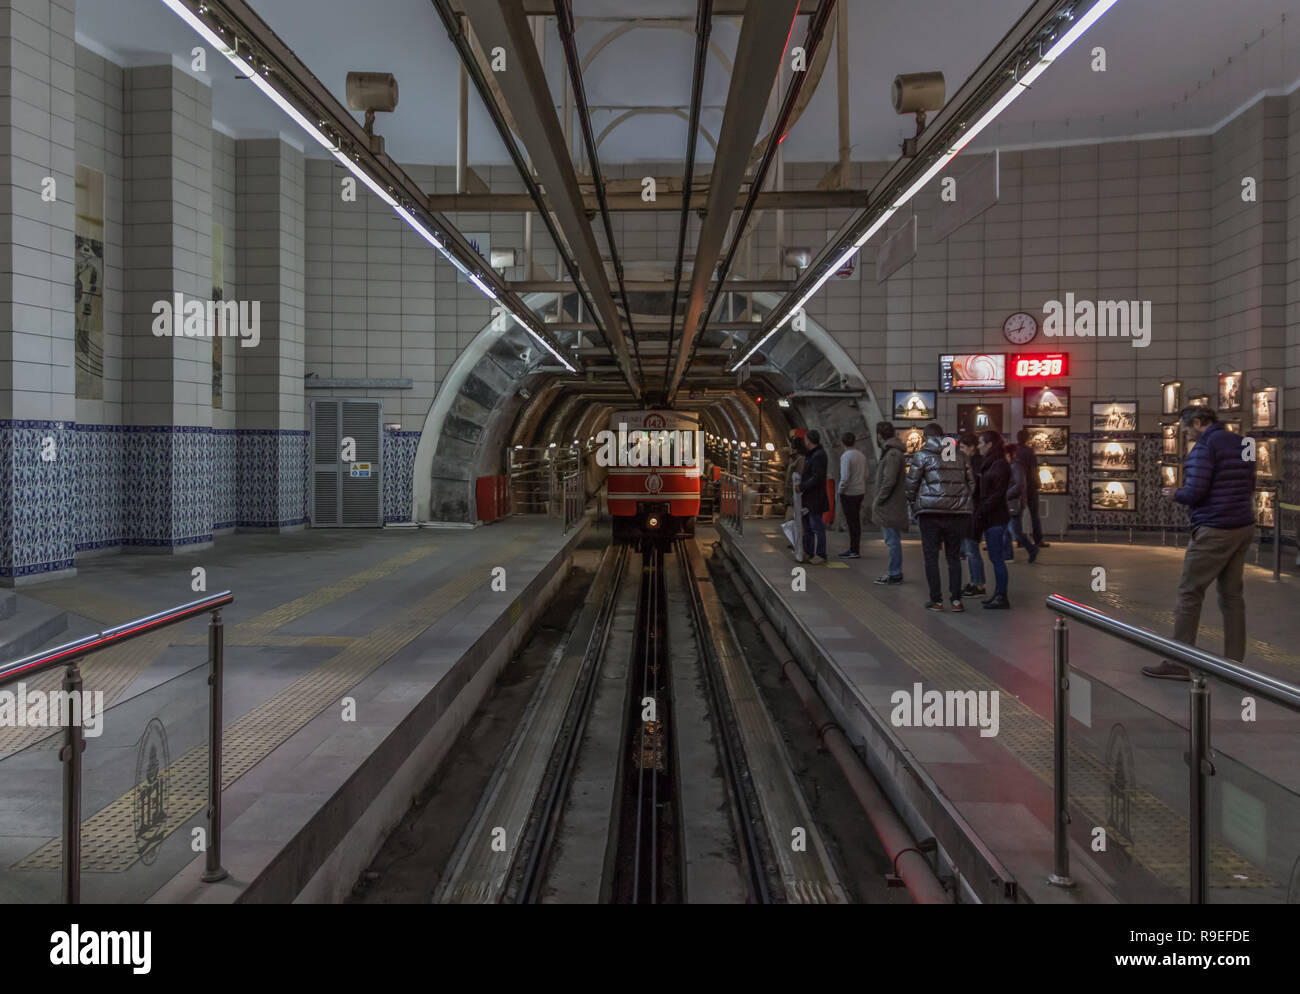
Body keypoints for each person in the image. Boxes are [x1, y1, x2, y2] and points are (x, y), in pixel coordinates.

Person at [1147, 406, 1256, 679]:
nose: (1186, 436)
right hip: (1242, 525)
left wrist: (1175, 494)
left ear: (1198, 422)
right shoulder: (1243, 442)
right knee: (1232, 597)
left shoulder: (1205, 447)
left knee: (1189, 593)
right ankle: (1234, 663)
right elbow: (1250, 484)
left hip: (1214, 528)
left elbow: (1196, 491)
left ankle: (1178, 662)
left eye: (1186, 430)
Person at [904, 422, 974, 611]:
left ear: (926, 438)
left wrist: (913, 502)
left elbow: (911, 485)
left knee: (931, 556)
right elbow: (972, 484)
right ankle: (956, 601)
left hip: (930, 513)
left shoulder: (923, 455)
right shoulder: (961, 456)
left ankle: (937, 600)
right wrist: (960, 500)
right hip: (956, 514)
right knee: (953, 557)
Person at [974, 431, 1012, 609]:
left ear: (989, 444)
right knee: (994, 557)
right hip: (991, 517)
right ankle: (997, 593)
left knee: (997, 559)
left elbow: (997, 494)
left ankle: (1002, 595)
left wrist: (982, 509)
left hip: (996, 518)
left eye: (981, 442)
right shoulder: (992, 463)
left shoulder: (999, 464)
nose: (979, 446)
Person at [872, 422, 908, 584]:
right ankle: (894, 571)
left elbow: (889, 480)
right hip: (891, 504)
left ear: (879, 435)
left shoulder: (892, 454)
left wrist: (878, 500)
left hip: (890, 505)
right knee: (892, 540)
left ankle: (895, 573)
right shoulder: (891, 452)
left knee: (892, 540)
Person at [957, 434, 986, 597]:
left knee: (972, 549)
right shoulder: (975, 463)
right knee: (970, 549)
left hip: (972, 511)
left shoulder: (974, 464)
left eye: (962, 448)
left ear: (971, 447)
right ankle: (975, 581)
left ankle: (979, 584)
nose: (960, 451)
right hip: (972, 510)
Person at [1014, 428, 1050, 548]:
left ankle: (1020, 540)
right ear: (1028, 438)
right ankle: (1038, 539)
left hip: (1018, 485)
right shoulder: (1029, 451)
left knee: (1018, 513)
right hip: (1030, 486)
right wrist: (1037, 483)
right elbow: (1034, 469)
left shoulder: (1015, 451)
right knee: (1034, 513)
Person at [1005, 443, 1039, 564]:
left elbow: (1019, 485)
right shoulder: (1013, 466)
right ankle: (1008, 555)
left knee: (1014, 530)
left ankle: (1031, 549)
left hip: (1014, 503)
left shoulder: (1015, 467)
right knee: (1008, 530)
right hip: (1012, 502)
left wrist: (1006, 495)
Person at [800, 429, 829, 564]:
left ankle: (821, 554)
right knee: (807, 526)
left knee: (817, 526)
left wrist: (802, 486)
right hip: (808, 498)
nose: (804, 441)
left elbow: (817, 477)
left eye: (805, 439)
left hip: (815, 498)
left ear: (809, 440)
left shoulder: (818, 456)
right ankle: (808, 551)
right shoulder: (811, 455)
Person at [837, 432, 868, 559]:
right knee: (856, 521)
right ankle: (855, 548)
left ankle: (853, 549)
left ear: (842, 442)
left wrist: (840, 490)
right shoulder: (861, 455)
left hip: (849, 493)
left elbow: (845, 477)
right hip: (860, 491)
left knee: (851, 522)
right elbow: (867, 474)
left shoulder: (846, 456)